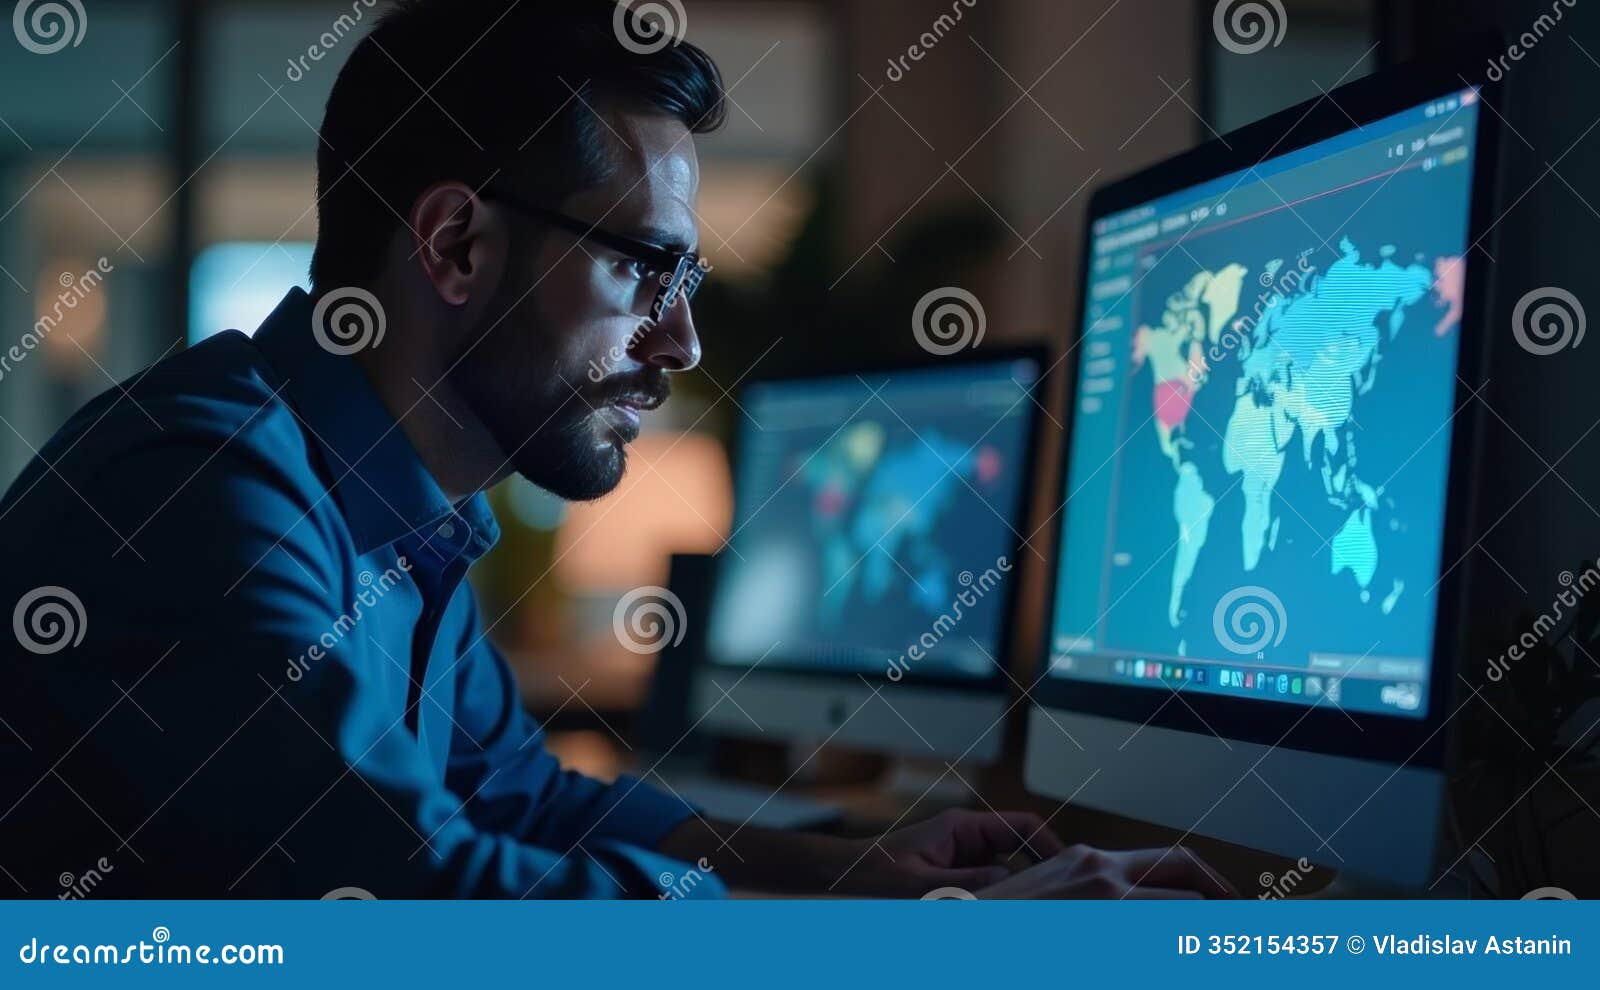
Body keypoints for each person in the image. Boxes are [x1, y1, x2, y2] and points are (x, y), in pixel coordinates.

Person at [0, 0, 1231, 900]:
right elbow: (420, 900)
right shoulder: (208, 489)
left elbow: (516, 798)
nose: (684, 339)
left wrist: (855, 874)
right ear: (453, 246)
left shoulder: (408, 515)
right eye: (646, 267)